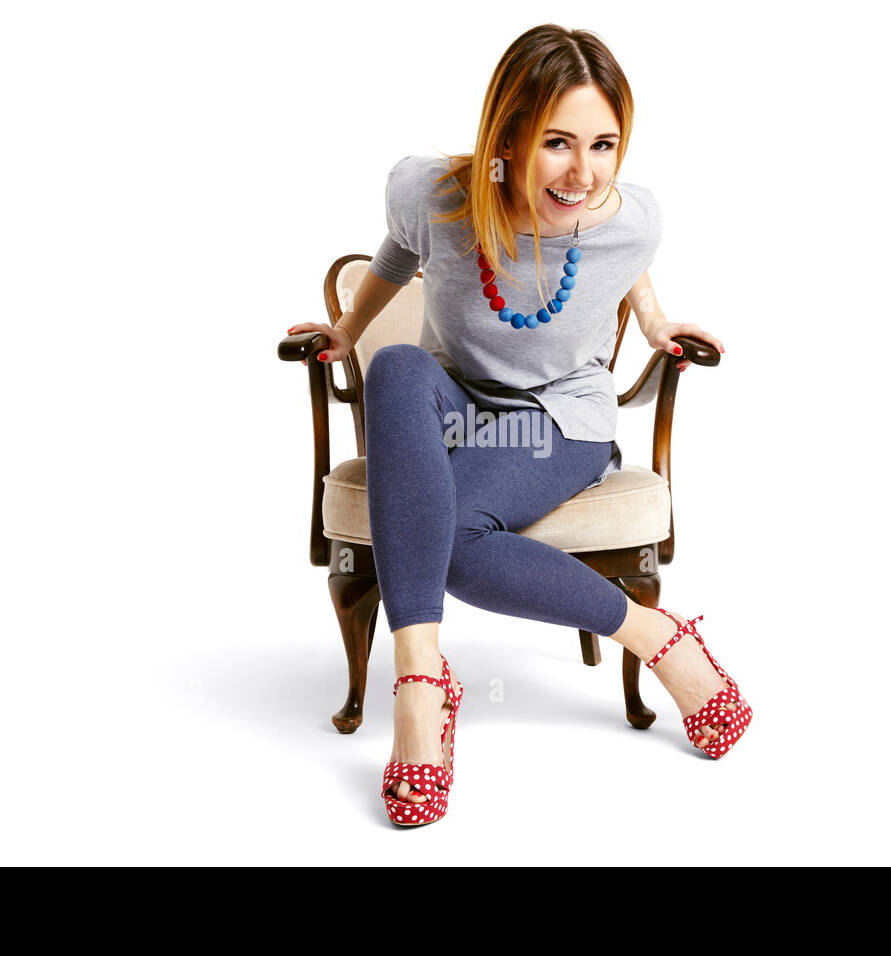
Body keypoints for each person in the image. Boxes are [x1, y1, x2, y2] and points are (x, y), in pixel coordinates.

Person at [286, 24, 752, 827]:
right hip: (462, 404)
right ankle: (423, 675)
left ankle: (650, 635)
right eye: (557, 143)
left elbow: (624, 253)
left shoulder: (633, 217)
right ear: (506, 137)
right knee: (398, 366)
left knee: (456, 545)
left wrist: (655, 325)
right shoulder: (429, 193)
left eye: (604, 144)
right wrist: (348, 332)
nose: (584, 172)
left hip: (557, 418)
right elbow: (399, 252)